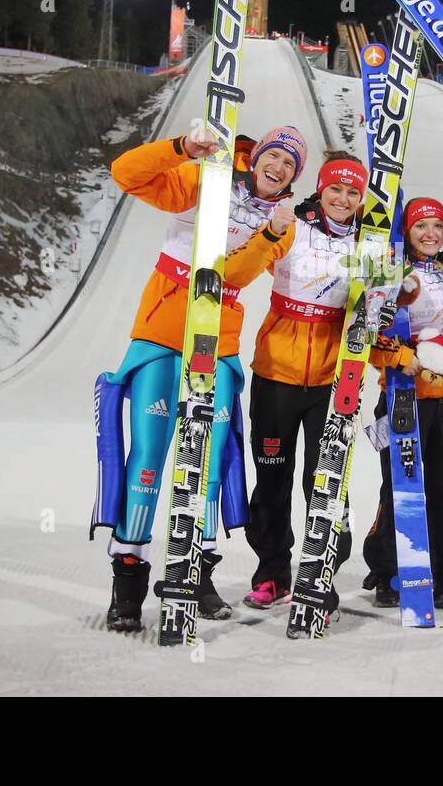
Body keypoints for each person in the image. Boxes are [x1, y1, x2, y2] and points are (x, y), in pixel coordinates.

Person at [91, 124, 306, 633]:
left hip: (216, 344)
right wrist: (182, 149)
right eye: (273, 157)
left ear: (294, 178)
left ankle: (195, 574)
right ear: (257, 160)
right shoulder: (205, 179)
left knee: (207, 466)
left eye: (289, 166)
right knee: (147, 457)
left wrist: (273, 234)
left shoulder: (283, 223)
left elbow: (234, 276)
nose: (277, 169)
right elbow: (126, 174)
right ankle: (128, 583)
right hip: (164, 333)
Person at [222, 151, 367, 613]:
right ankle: (272, 573)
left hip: (332, 378)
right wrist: (270, 232)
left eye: (351, 192)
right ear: (320, 190)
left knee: (324, 481)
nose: (342, 199)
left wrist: (395, 283)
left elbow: (384, 308)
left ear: (361, 198)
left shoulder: (370, 242)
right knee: (272, 477)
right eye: (334, 189)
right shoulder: (294, 228)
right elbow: (239, 273)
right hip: (277, 373)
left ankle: (320, 568)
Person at [362, 198, 443, 610]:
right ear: (407, 231)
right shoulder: (391, 270)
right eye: (420, 226)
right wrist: (402, 357)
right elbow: (369, 333)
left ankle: (441, 576)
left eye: (437, 225)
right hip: (402, 396)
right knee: (400, 489)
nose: (430, 233)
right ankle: (390, 572)